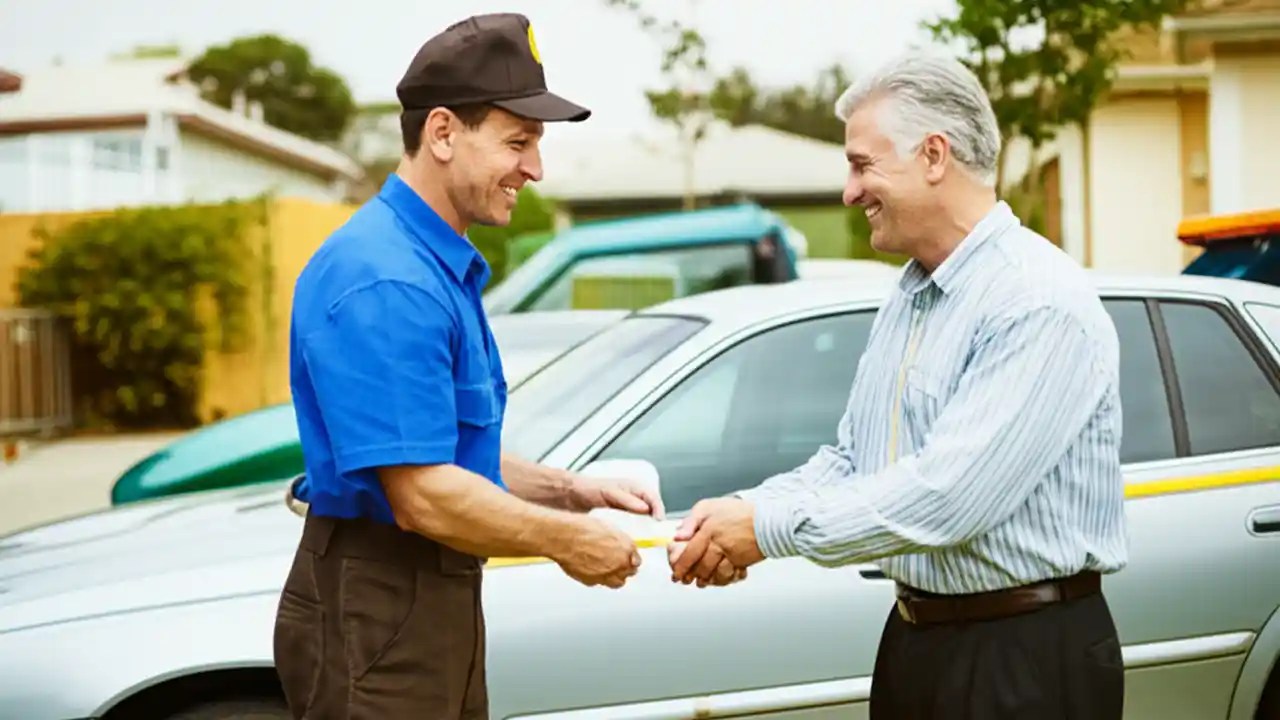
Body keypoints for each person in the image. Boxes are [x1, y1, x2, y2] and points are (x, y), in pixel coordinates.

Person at [668, 52, 1129, 720]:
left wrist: (765, 529)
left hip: (1023, 660)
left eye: (862, 164)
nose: (850, 192)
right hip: (920, 643)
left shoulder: (1038, 302)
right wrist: (740, 511)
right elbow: (855, 460)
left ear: (935, 155)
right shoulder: (910, 295)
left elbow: (948, 500)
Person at [273, 13, 664, 720]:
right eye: (518, 142)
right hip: (385, 594)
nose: (536, 169)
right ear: (443, 133)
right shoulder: (386, 278)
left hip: (418, 590)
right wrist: (569, 543)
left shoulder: (427, 261)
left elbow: (446, 448)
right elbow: (422, 493)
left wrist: (569, 491)